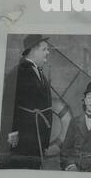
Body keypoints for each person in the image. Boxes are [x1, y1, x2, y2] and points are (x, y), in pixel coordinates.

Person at [5, 35, 54, 169]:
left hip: (37, 140)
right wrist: (12, 131)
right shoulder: (18, 72)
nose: (47, 52)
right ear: (33, 50)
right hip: (24, 140)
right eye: (44, 49)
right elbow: (8, 103)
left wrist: (45, 141)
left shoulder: (40, 73)